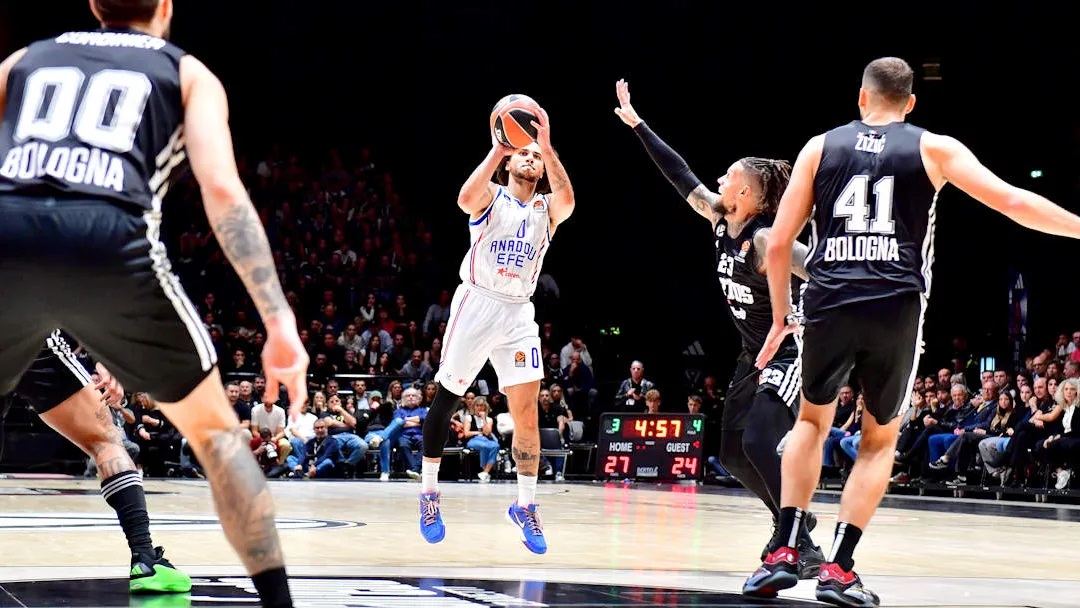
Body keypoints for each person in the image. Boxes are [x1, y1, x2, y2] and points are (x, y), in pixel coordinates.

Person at [0, 2, 309, 606]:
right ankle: (275, 601)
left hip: (8, 235)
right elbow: (222, 191)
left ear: (94, 6)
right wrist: (279, 321)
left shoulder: (23, 61)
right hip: (113, 240)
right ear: (165, 7)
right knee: (218, 438)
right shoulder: (187, 72)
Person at [748, 56, 1080, 607]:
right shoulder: (934, 147)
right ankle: (839, 568)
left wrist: (783, 316)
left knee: (811, 421)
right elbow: (1016, 202)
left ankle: (782, 551)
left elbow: (778, 243)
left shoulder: (819, 146)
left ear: (860, 97)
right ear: (911, 104)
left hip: (828, 298)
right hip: (894, 303)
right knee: (879, 440)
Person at [614, 79, 823, 577]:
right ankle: (795, 526)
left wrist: (814, 316)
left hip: (790, 353)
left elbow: (821, 270)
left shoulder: (767, 240)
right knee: (730, 451)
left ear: (746, 193)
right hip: (750, 356)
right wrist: (638, 125)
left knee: (757, 442)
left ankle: (799, 542)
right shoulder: (715, 216)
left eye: (728, 177)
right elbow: (679, 173)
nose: (719, 180)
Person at [417, 104, 575, 554]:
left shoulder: (547, 208)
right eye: (521, 154)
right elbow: (464, 199)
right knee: (447, 397)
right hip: (478, 303)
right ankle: (429, 493)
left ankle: (526, 505)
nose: (529, 159)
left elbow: (569, 199)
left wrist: (547, 146)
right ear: (508, 162)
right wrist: (496, 149)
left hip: (518, 312)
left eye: (535, 157)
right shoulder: (491, 196)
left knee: (527, 411)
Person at [14, 331, 190, 594]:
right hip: (24, 330)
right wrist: (104, 355)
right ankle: (145, 559)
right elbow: (79, 293)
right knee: (105, 440)